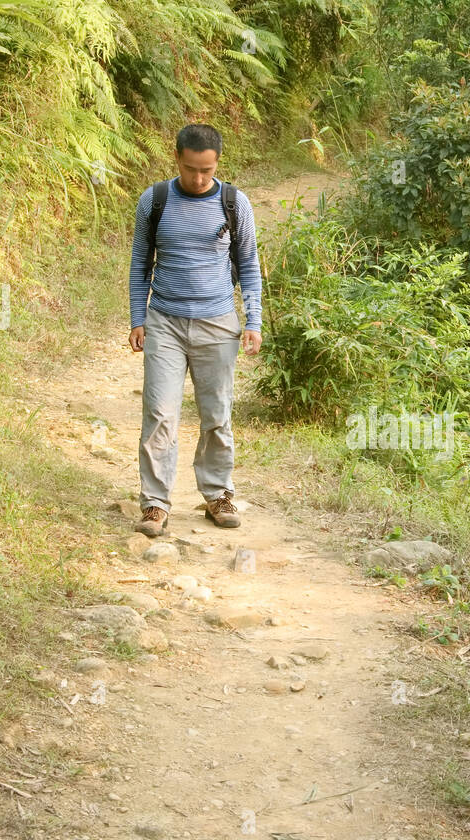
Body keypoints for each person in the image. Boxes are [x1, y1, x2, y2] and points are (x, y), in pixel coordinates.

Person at [127, 123, 262, 536]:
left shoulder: (234, 203)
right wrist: (138, 317)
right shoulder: (156, 200)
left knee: (217, 416)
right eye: (190, 169)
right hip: (164, 322)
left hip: (218, 324)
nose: (198, 178)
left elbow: (249, 267)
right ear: (177, 159)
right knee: (160, 413)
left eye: (206, 170)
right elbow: (139, 265)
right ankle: (154, 504)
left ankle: (218, 495)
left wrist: (253, 321)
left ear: (217, 163)